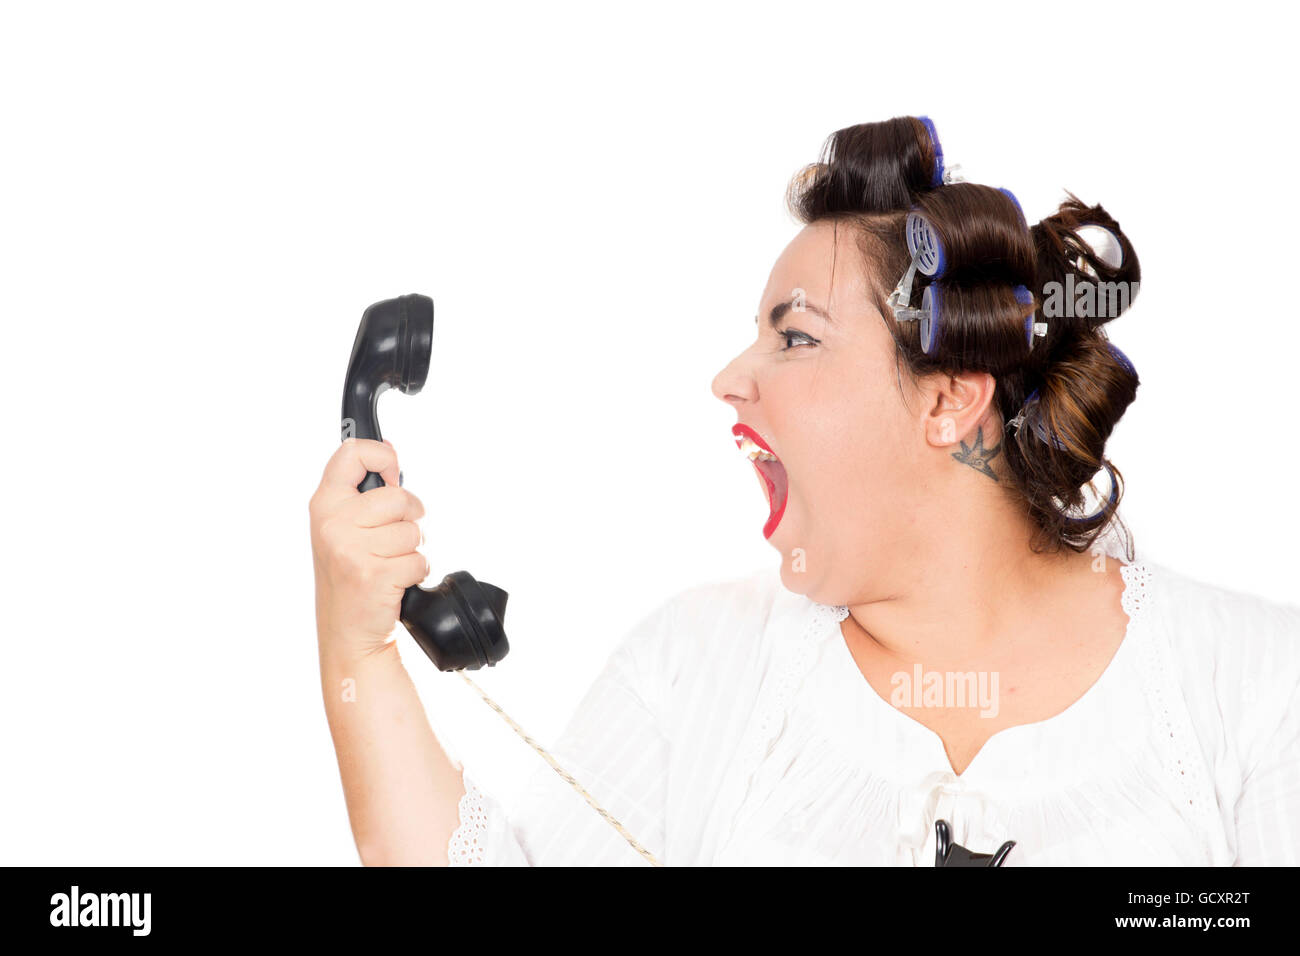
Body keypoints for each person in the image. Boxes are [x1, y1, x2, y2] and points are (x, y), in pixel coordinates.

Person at [308, 115, 1300, 866]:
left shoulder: (1255, 688)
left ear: (948, 398)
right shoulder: (693, 666)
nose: (730, 378)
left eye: (794, 336)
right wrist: (358, 644)